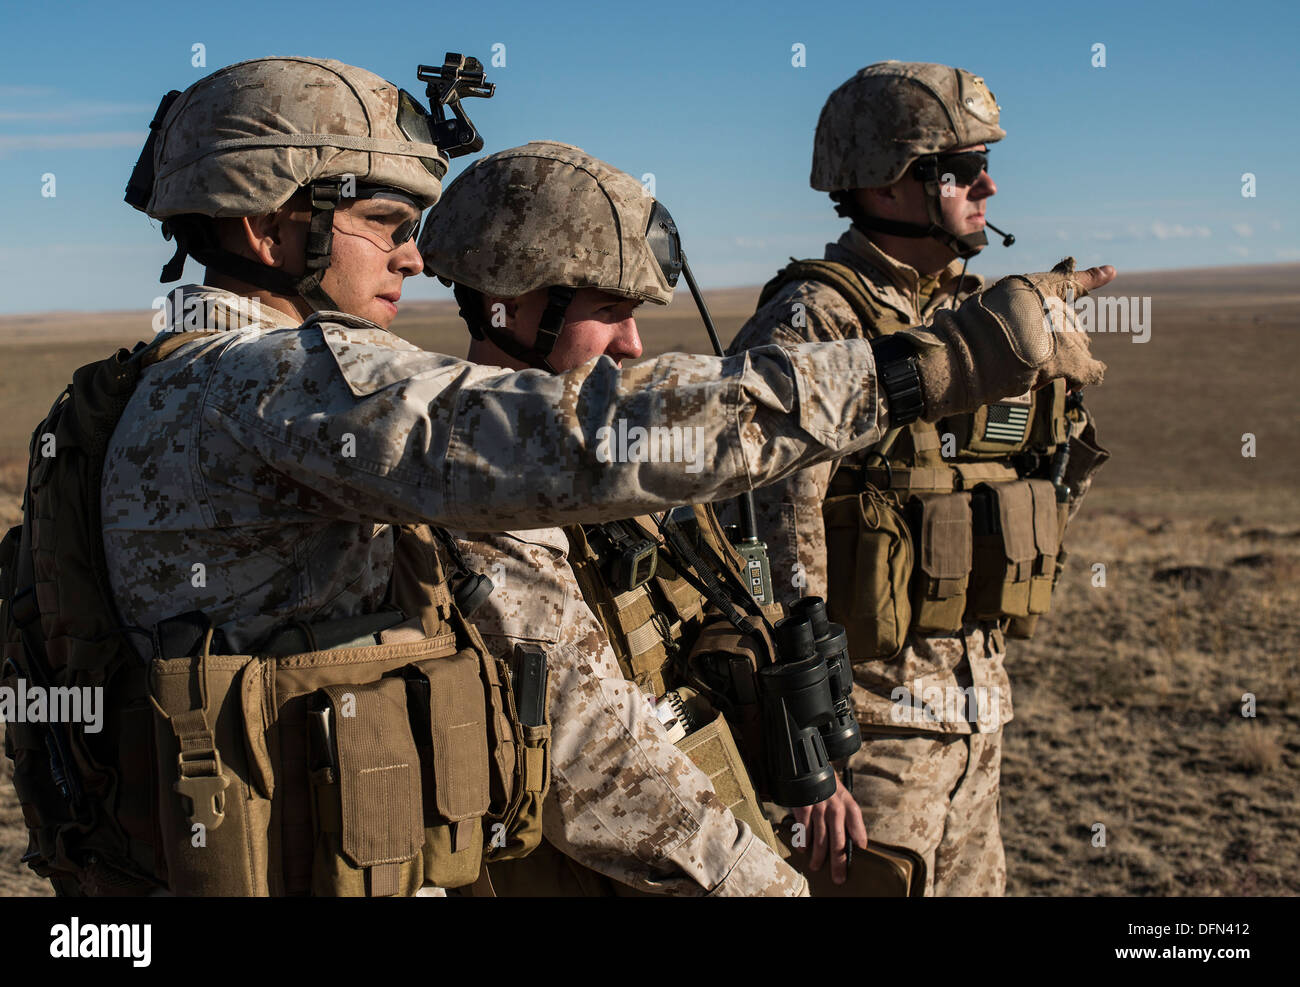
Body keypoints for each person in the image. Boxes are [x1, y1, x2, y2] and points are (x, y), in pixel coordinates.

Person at [0, 55, 1104, 897]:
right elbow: (596, 441)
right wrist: (934, 366)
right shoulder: (273, 384)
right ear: (259, 224)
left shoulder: (155, 384)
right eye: (381, 222)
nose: (412, 254)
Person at [726, 61, 1110, 895]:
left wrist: (1066, 408)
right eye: (964, 168)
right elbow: (765, 555)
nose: (989, 184)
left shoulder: (976, 318)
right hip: (870, 740)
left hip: (976, 717)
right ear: (894, 184)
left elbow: (1018, 495)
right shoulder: (812, 325)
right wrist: (815, 756)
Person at [422, 140, 814, 896]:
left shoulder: (630, 463)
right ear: (511, 302)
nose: (634, 343)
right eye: (608, 312)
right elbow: (587, 760)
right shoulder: (464, 497)